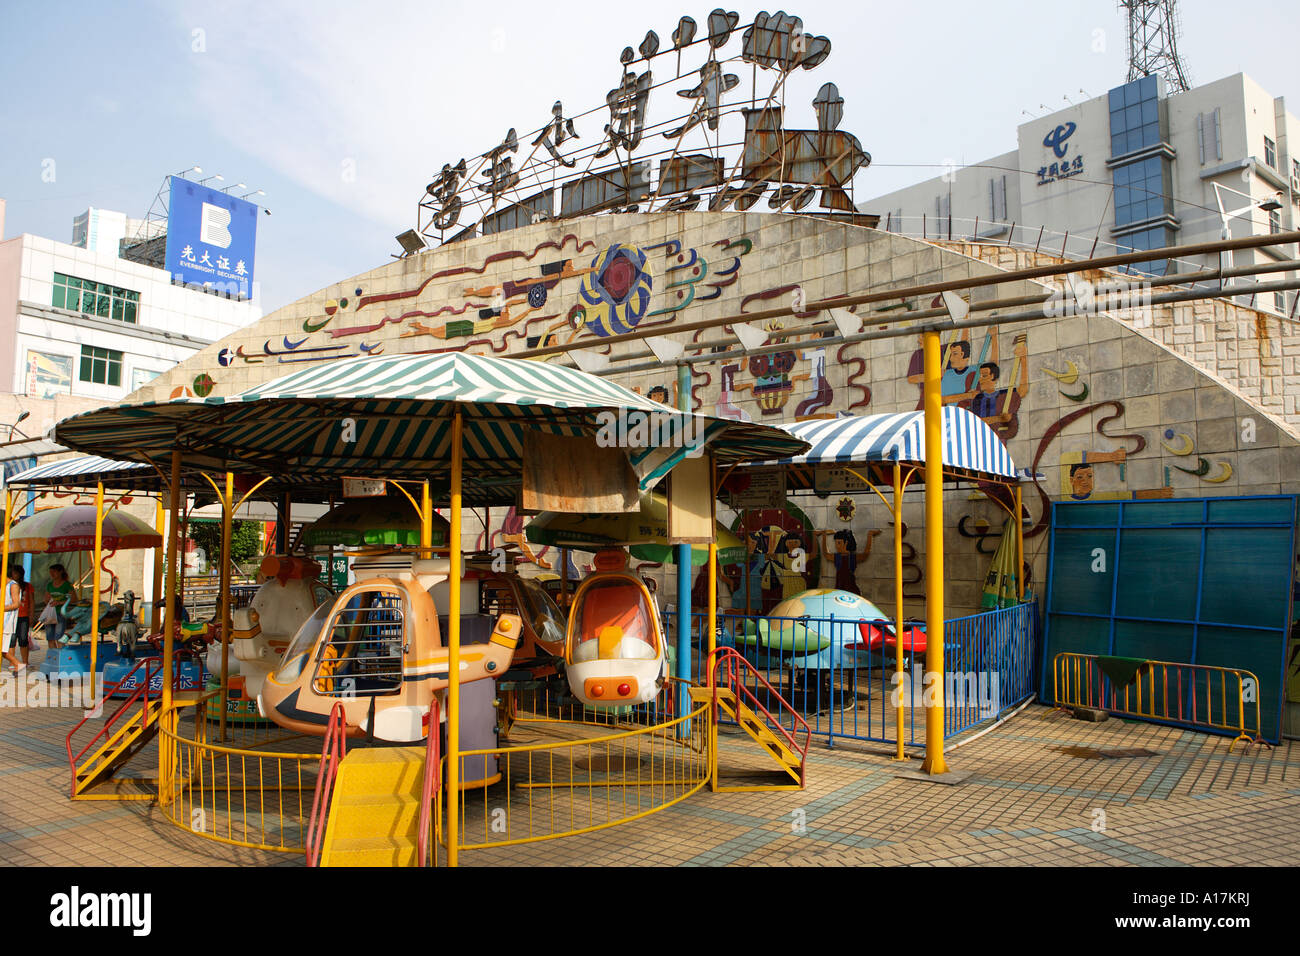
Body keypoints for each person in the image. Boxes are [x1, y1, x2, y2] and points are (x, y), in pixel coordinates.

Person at [817, 528, 882, 595]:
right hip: (840, 591)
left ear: (846, 543)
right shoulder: (837, 557)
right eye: (835, 543)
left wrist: (870, 535)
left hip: (851, 592)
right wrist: (824, 535)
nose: (836, 546)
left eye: (839, 543)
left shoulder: (851, 557)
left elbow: (865, 554)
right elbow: (826, 554)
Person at [45, 563, 74, 646]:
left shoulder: (67, 585)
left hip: (61, 613)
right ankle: (52, 656)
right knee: (50, 638)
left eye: (54, 572)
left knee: (59, 637)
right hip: (50, 614)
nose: (52, 574)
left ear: (60, 572)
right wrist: (50, 601)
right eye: (50, 572)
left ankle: (61, 656)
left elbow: (73, 599)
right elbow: (46, 599)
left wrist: (60, 602)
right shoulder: (50, 585)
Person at [10, 566, 33, 666]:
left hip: (23, 616)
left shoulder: (27, 586)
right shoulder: (9, 585)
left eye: (15, 573)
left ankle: (25, 662)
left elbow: (32, 601)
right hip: (11, 616)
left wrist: (31, 615)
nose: (13, 575)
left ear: (20, 574)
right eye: (12, 573)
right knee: (12, 639)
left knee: (23, 639)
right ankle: (13, 662)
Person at [2, 568, 22, 676]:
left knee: (3, 649)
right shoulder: (2, 585)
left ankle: (18, 665)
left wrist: (2, 608)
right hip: (2, 619)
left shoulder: (13, 585)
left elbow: (16, 604)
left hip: (7, 622)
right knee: (3, 650)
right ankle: (18, 665)